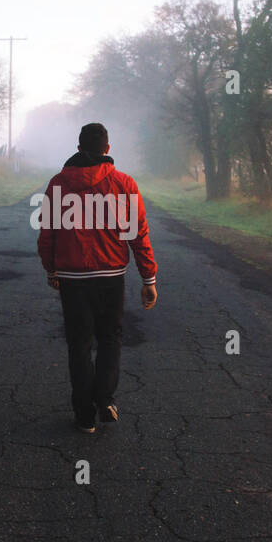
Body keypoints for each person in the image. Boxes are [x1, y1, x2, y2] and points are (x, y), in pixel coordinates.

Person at [36, 123, 158, 433]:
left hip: (72, 277)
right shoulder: (124, 184)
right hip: (110, 276)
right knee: (110, 338)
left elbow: (47, 234)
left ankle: (84, 415)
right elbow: (137, 234)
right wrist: (149, 278)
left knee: (79, 343)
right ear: (108, 149)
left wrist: (51, 269)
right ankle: (104, 399)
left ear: (79, 148)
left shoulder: (58, 185)